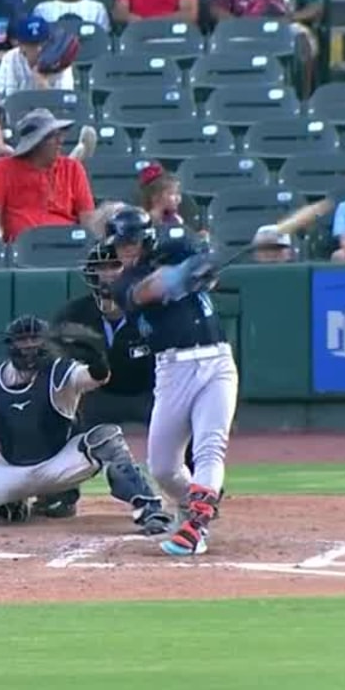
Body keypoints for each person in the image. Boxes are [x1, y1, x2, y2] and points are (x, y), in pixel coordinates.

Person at [0, 315, 166, 531]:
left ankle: (147, 507)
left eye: (35, 339)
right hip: (10, 467)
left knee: (106, 438)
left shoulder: (62, 372)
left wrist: (98, 359)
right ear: (10, 345)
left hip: (61, 461)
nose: (30, 346)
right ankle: (8, 505)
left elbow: (97, 378)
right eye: (23, 340)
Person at [41, 208, 193, 531]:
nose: (110, 274)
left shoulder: (148, 305)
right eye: (103, 267)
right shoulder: (74, 313)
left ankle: (198, 491)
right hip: (98, 395)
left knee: (185, 415)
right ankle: (61, 493)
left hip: (148, 390)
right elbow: (54, 363)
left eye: (115, 265)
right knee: (62, 417)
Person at [111, 233, 238, 556]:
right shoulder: (126, 281)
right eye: (121, 242)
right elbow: (153, 288)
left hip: (217, 362)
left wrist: (205, 262)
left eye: (132, 241)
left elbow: (203, 253)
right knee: (163, 467)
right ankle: (196, 502)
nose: (127, 247)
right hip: (173, 370)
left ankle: (196, 525)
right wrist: (187, 272)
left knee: (210, 448)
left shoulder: (172, 254)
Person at [0, 108, 96, 241]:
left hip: (68, 247)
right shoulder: (3, 168)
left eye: (60, 135)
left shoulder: (73, 168)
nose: (60, 141)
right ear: (36, 143)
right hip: (25, 251)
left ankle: (80, 150)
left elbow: (88, 219)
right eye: (53, 137)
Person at [210, 0, 323, 96]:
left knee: (303, 43)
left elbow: (316, 6)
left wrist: (291, 18)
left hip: (286, 25)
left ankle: (301, 103)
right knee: (218, 43)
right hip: (243, 28)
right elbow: (216, 7)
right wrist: (236, 24)